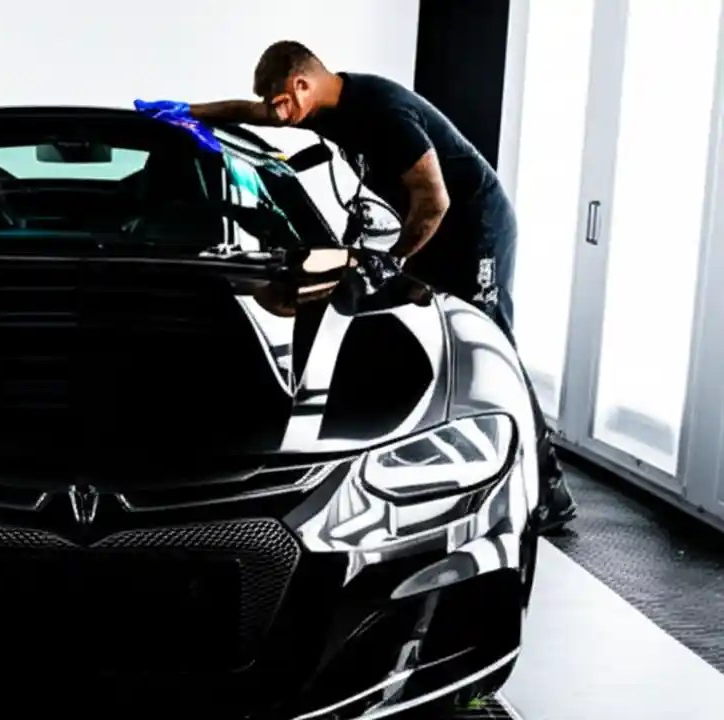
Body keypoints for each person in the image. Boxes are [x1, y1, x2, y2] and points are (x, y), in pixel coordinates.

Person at [137, 40, 577, 533]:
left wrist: (392, 260)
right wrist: (186, 112)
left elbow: (434, 201)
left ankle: (549, 492)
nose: (279, 115)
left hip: (475, 227)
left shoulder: (382, 114)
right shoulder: (321, 104)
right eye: (274, 105)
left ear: (302, 83)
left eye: (282, 101)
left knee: (491, 347)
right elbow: (255, 112)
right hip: (433, 224)